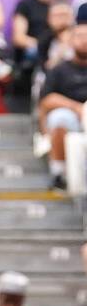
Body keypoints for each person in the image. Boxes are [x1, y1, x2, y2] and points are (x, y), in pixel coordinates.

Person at [38, 22, 87, 190]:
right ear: (71, 41)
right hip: (71, 115)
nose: (84, 40)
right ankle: (58, 173)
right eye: (80, 36)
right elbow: (46, 99)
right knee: (59, 118)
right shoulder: (59, 69)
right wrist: (77, 108)